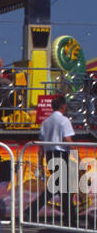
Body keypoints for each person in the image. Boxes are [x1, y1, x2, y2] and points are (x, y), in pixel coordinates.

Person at [39, 93, 76, 225]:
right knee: (63, 187)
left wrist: (40, 162)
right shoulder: (64, 121)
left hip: (50, 155)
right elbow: (67, 139)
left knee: (56, 186)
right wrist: (77, 155)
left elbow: (41, 145)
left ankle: (31, 209)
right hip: (61, 155)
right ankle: (70, 218)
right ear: (63, 106)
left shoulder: (45, 122)